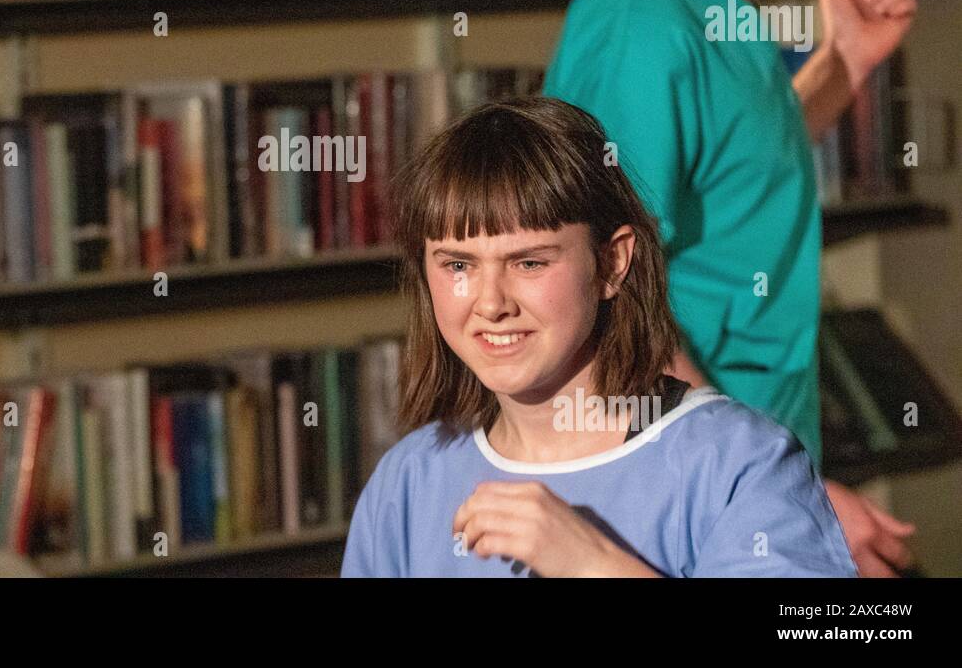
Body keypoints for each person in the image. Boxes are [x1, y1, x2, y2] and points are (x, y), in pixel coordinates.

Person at [542, 0, 917, 576]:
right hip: (681, 492)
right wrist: (780, 491)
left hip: (755, 460)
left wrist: (844, 64)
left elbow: (738, 164)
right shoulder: (641, 24)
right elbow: (604, 290)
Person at [340, 97, 856, 577]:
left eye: (529, 262)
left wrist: (593, 564)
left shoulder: (737, 463)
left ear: (612, 263)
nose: (491, 303)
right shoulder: (407, 483)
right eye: (458, 264)